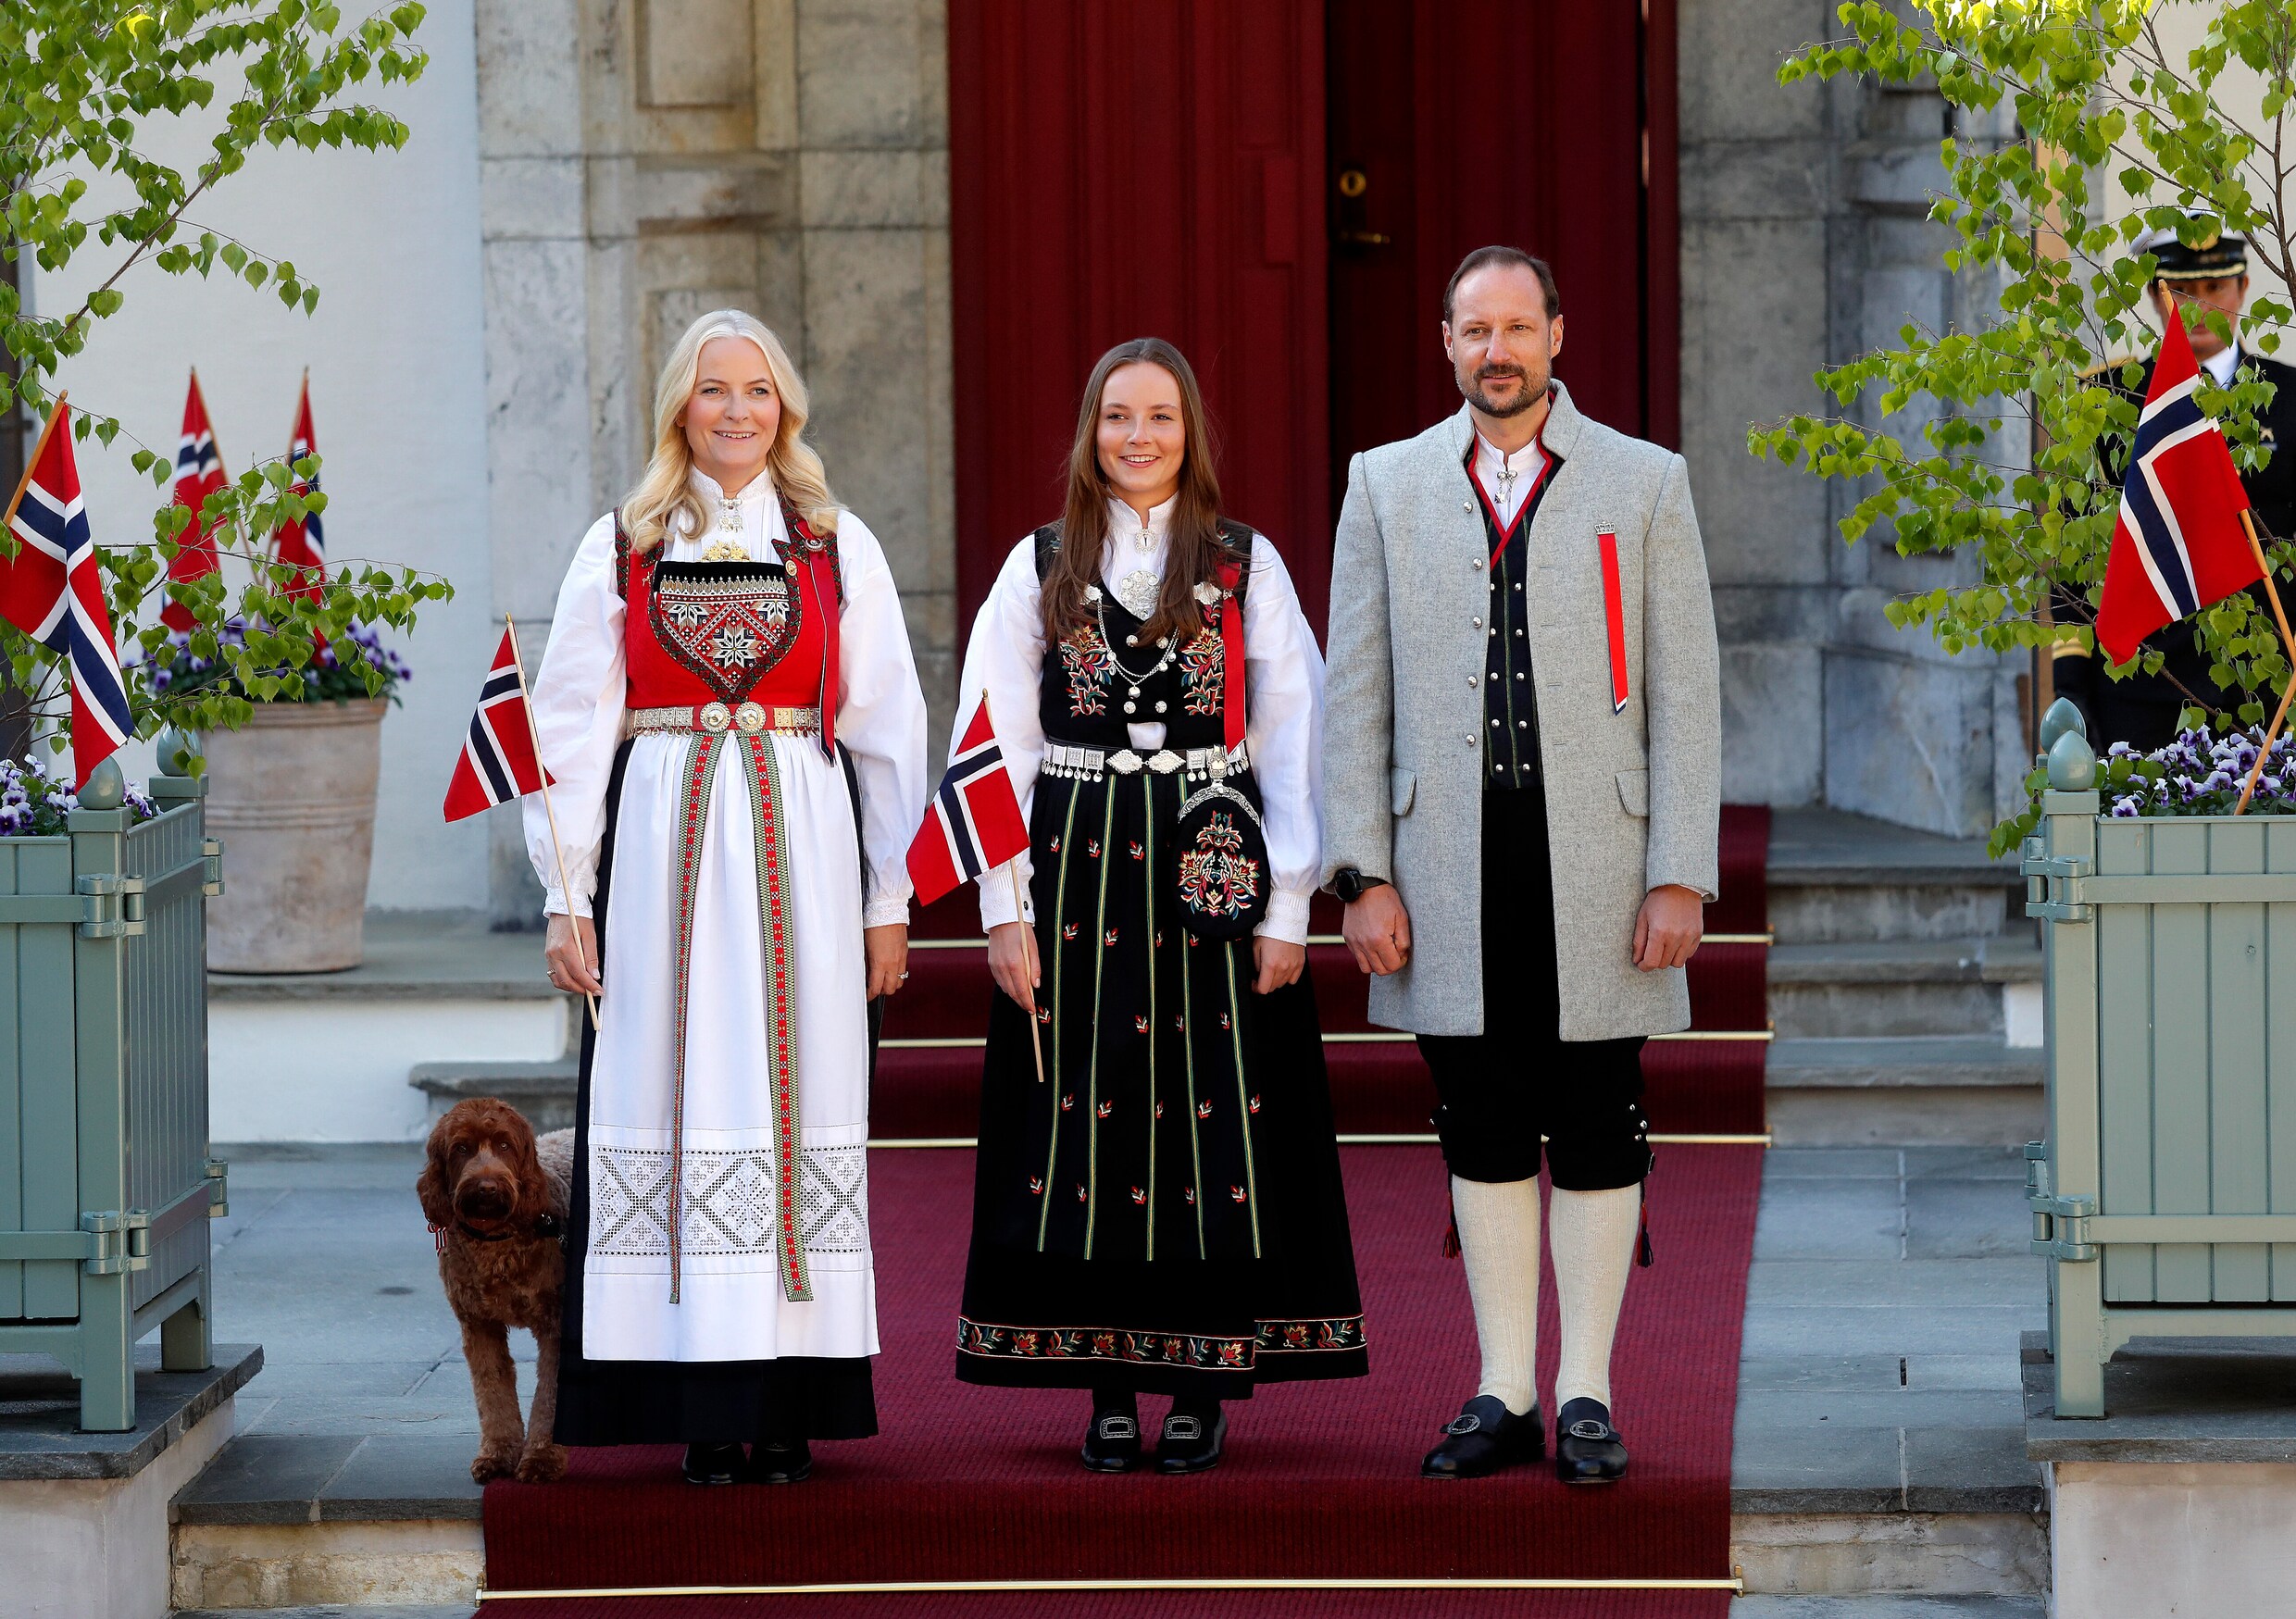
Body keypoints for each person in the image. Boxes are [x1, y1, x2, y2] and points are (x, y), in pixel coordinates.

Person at [1321, 246, 1719, 1484]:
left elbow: (1688, 694)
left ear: (1559, 333)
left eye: (1517, 327)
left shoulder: (1645, 482)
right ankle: (1501, 1390)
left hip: (1598, 852)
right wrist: (1360, 871)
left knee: (1596, 1113)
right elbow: (1354, 694)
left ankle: (1587, 1390)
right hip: (1445, 856)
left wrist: (1680, 871)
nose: (1496, 350)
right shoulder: (1383, 485)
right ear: (1445, 344)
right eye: (1472, 330)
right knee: (1480, 1112)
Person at [527, 309, 928, 1487]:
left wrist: (886, 894)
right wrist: (567, 894)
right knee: (672, 1075)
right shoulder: (622, 544)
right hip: (664, 856)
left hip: (800, 848)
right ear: (678, 409)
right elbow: (566, 731)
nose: (738, 410)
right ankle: (699, 1401)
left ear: (786, 407)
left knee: (801, 1084)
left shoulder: (832, 541)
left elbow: (889, 726)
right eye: (715, 391)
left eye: (759, 390)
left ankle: (792, 1394)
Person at [954, 337, 1366, 1475]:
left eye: (1161, 418)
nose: (1138, 438)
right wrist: (1005, 907)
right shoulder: (1037, 565)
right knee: (1082, 1120)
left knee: (1206, 1122)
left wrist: (1290, 903)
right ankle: (1102, 1383)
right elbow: (989, 738)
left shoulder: (1245, 566)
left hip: (1211, 867)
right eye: (1117, 418)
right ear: (1089, 433)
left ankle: (1199, 1381)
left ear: (1192, 433)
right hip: (1077, 868)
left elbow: (1296, 734)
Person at [2053, 223, 2296, 751]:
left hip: (2268, 685)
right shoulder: (2106, 403)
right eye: (2181, 291)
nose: (2199, 308)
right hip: (2142, 684)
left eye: (2215, 289)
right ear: (2154, 297)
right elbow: (2075, 555)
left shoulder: (2291, 399)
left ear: (2243, 289)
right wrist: (2070, 683)